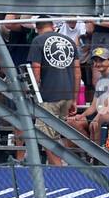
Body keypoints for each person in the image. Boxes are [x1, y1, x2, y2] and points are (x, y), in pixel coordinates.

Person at [29, 18, 81, 166]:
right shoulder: (69, 41)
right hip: (67, 96)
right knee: (57, 133)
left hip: (48, 96)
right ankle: (61, 165)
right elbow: (78, 73)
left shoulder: (38, 41)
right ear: (52, 26)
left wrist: (36, 95)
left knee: (45, 136)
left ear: (37, 28)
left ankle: (59, 170)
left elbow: (36, 71)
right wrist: (74, 99)